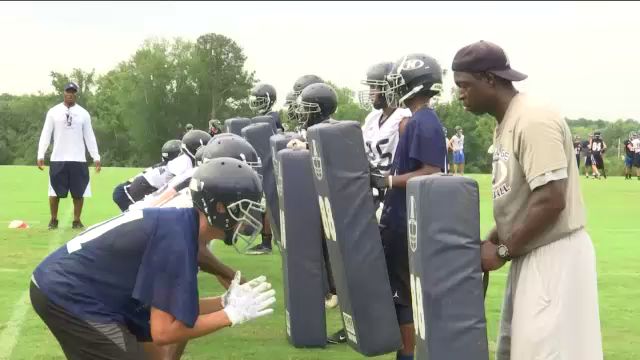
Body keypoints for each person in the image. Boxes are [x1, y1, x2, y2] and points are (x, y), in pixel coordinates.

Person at [30, 157, 276, 360]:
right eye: (244, 207)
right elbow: (164, 332)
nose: (249, 216)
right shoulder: (176, 239)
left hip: (79, 288)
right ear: (219, 208)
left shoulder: (181, 229)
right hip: (66, 291)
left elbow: (176, 312)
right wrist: (231, 315)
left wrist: (224, 301)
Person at [452, 40, 602, 360]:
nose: (460, 94)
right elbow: (522, 198)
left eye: (465, 85)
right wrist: (494, 236)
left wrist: (504, 250)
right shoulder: (508, 121)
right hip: (531, 251)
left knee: (546, 352)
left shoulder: (532, 119)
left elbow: (551, 199)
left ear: (490, 79)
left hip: (553, 256)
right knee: (518, 350)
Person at [370, 53, 447, 360]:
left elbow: (431, 171)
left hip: (406, 221)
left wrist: (387, 182)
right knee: (397, 295)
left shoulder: (424, 123)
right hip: (400, 216)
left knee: (403, 297)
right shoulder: (416, 121)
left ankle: (407, 355)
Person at [245, 75, 325, 256]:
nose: (296, 105)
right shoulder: (303, 126)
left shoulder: (272, 120)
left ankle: (268, 241)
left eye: (300, 99)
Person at [37, 82, 101, 230]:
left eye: (73, 92)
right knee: (54, 191)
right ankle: (53, 219)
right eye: (68, 91)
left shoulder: (83, 114)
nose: (70, 94)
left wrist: (96, 157)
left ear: (76, 94)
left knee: (79, 192)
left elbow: (89, 136)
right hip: (58, 158)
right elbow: (46, 134)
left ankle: (77, 220)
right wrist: (41, 154)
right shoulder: (53, 112)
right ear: (64, 93)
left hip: (78, 159)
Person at [112, 139, 182, 212]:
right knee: (137, 215)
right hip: (125, 192)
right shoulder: (170, 168)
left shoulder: (165, 166)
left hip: (130, 188)